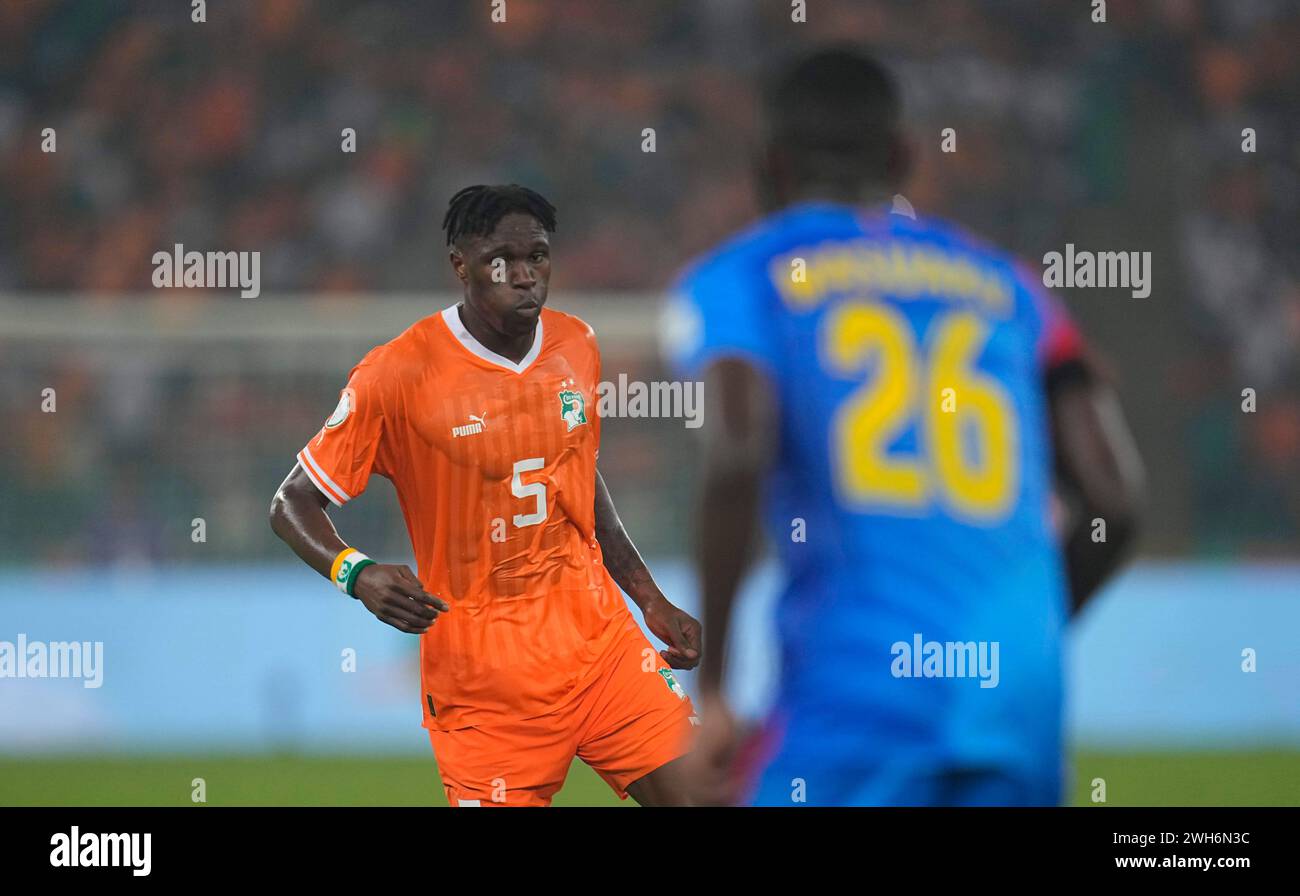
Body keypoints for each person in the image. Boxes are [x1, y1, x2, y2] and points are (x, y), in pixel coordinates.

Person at [667, 49, 1145, 806]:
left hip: (858, 696)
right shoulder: (1010, 287)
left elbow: (736, 448)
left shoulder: (747, 276)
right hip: (1016, 703)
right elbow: (1115, 501)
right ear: (903, 158)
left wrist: (715, 687)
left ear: (770, 167)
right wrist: (1022, 639)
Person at [270, 184, 701, 807]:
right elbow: (291, 503)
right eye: (503, 259)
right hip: (486, 683)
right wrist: (354, 572)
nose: (525, 276)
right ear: (460, 264)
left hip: (601, 648)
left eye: (539, 257)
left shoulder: (575, 345)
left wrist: (650, 599)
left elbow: (577, 475)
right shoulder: (398, 374)